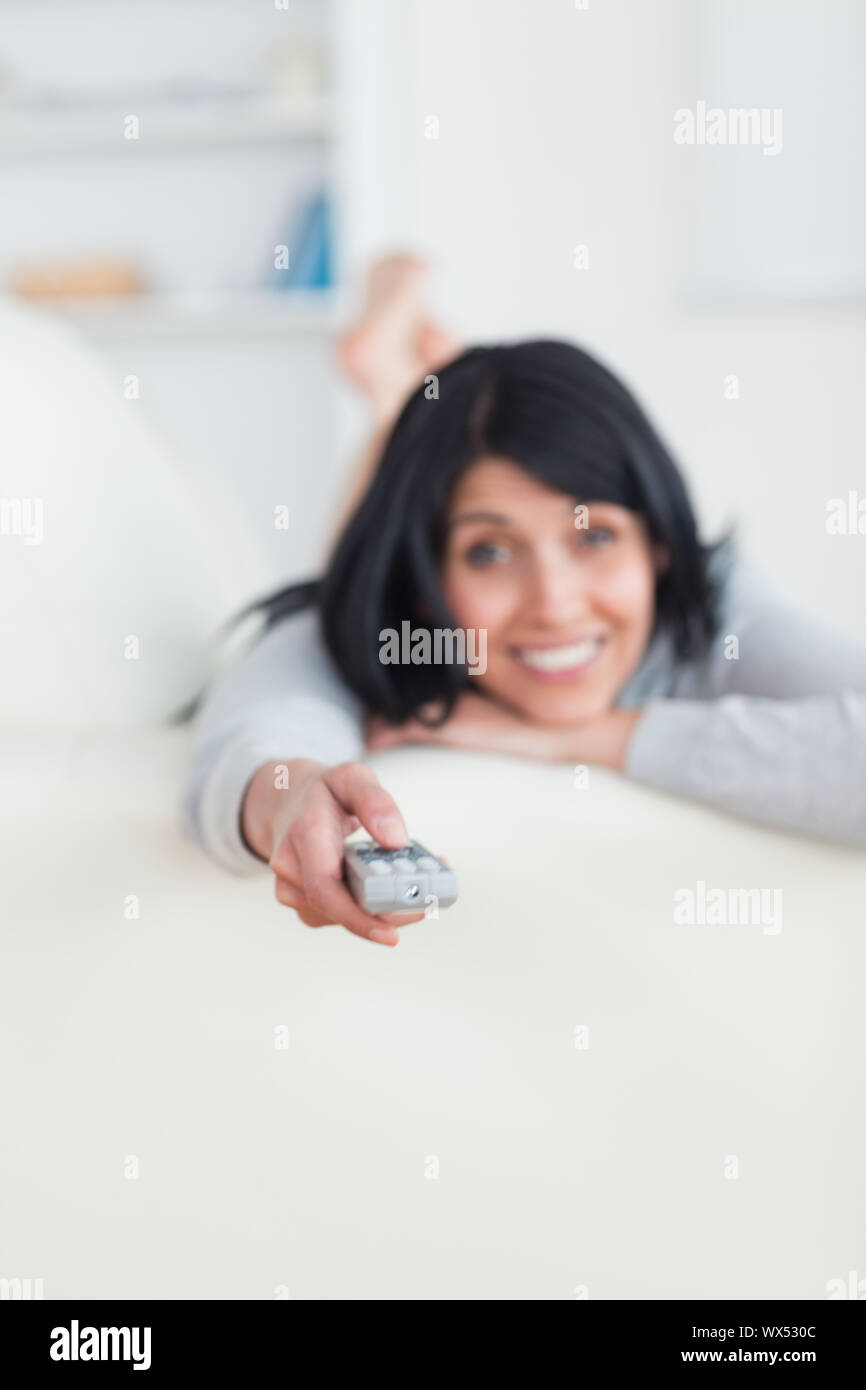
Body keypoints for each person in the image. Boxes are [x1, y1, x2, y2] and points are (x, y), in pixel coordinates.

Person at [183, 258, 866, 947]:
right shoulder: (386, 623)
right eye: (490, 552)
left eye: (595, 535)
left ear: (657, 546)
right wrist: (295, 797)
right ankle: (393, 393)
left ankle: (395, 391)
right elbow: (255, 745)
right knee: (363, 542)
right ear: (425, 583)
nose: (556, 605)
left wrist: (573, 738)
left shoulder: (712, 607)